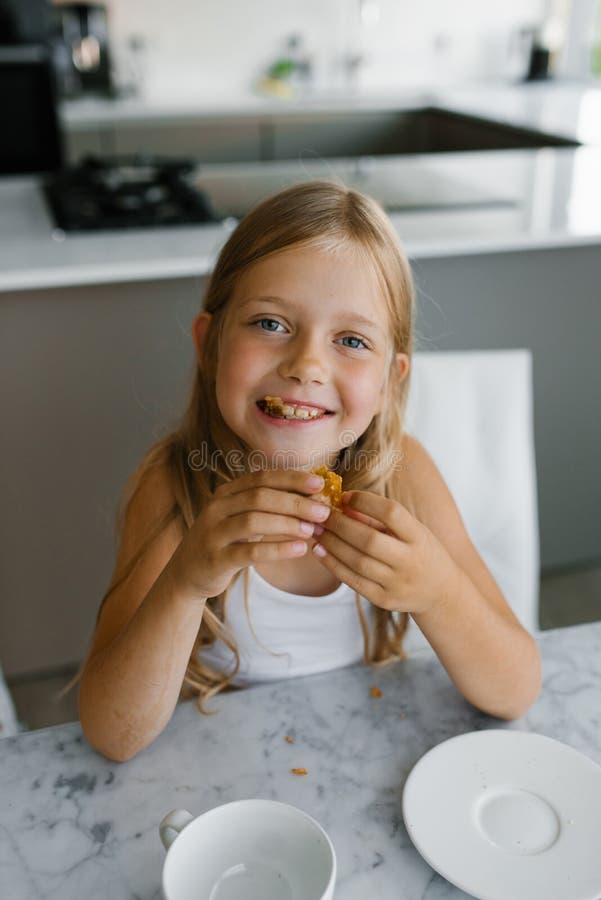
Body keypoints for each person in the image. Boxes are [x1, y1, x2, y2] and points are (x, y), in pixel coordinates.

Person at [78, 181, 541, 761]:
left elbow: (516, 690)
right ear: (209, 344)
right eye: (271, 324)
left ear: (390, 380)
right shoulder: (177, 487)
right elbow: (111, 733)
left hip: (362, 763)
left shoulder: (406, 476)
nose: (307, 365)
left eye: (350, 339)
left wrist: (438, 592)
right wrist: (186, 580)